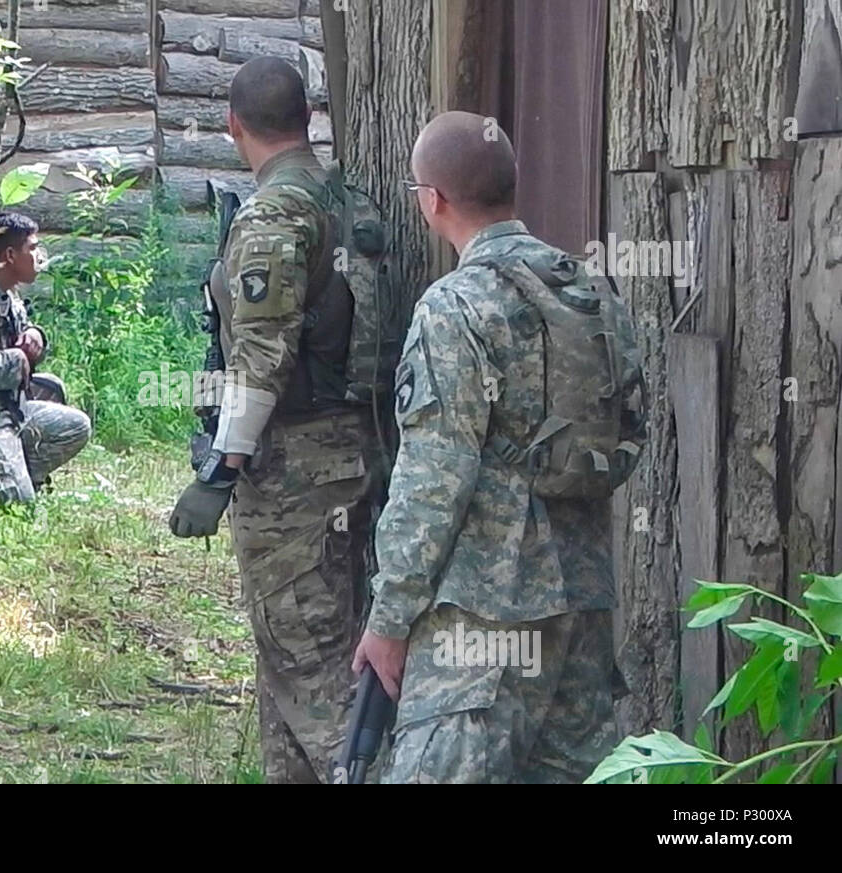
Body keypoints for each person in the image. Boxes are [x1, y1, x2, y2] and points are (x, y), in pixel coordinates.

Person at [352, 110, 645, 783]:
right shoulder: (588, 292)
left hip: (480, 626)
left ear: (432, 201)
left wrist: (390, 617)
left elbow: (433, 478)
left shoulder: (453, 307)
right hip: (582, 608)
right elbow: (631, 426)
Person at [168, 57, 388, 783]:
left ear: (234, 126)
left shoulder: (275, 213)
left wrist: (219, 469)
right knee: (291, 655)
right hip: (350, 452)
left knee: (315, 669)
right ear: (306, 119)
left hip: (295, 470)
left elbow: (262, 357)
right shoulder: (344, 198)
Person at [0, 212, 91, 502]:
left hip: (11, 411)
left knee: (76, 426)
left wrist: (36, 336)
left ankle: (15, 472)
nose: (39, 256)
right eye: (32, 248)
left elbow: (25, 348)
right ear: (10, 255)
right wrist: (16, 358)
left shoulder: (9, 295)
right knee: (19, 505)